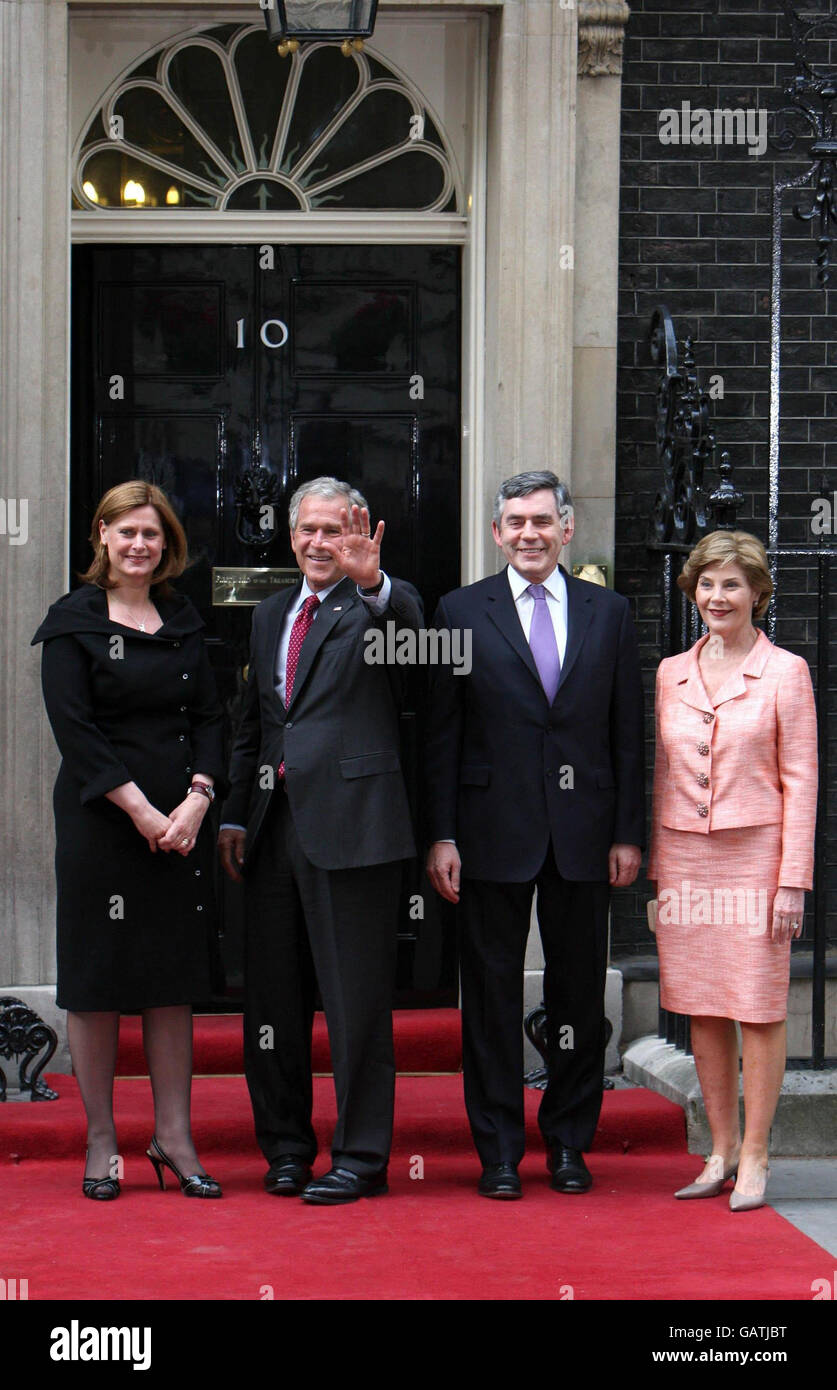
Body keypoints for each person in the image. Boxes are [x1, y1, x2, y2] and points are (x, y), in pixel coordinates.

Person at [425, 471, 645, 1198]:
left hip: (584, 833)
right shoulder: (458, 610)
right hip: (489, 834)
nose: (528, 533)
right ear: (496, 533)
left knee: (577, 996)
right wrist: (442, 834)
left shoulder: (608, 612)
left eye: (541, 521)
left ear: (566, 529)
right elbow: (442, 735)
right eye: (515, 522)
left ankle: (568, 1144)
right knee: (487, 996)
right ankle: (495, 1151)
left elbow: (625, 734)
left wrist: (625, 832)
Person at [218, 477, 421, 1205]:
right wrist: (236, 813)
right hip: (274, 829)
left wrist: (377, 587)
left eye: (332, 530)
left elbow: (416, 660)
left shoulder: (377, 606)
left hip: (355, 827)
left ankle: (361, 1156)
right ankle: (284, 1148)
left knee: (355, 1003)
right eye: (307, 529)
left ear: (359, 532)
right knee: (272, 1003)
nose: (316, 542)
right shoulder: (272, 612)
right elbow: (257, 723)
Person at [32, 481, 227, 1200]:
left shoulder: (180, 616)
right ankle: (102, 1139)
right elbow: (75, 733)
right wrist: (144, 813)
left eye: (151, 534)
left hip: (181, 827)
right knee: (97, 980)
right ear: (102, 539)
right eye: (126, 533)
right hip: (102, 826)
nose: (139, 545)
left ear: (166, 543)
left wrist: (198, 800)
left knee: (170, 980)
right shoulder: (71, 621)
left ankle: (173, 1138)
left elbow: (212, 715)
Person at [648, 530, 817, 1211]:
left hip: (755, 856)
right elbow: (661, 773)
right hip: (685, 855)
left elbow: (800, 780)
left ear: (757, 594)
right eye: (707, 585)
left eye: (731, 585)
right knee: (700, 1007)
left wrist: (790, 879)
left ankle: (754, 1153)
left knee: (755, 1003)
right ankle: (717, 1150)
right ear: (693, 594)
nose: (718, 597)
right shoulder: (669, 672)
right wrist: (660, 870)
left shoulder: (785, 672)